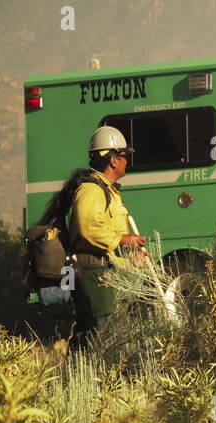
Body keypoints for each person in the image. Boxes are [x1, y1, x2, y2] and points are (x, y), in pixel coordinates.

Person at [68, 126, 149, 348]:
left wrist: (130, 258)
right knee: (105, 336)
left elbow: (105, 239)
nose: (127, 161)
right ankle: (98, 379)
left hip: (100, 270)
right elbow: (89, 228)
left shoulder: (107, 190)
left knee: (91, 336)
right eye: (125, 156)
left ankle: (80, 376)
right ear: (113, 160)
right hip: (92, 272)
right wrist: (123, 239)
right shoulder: (92, 190)